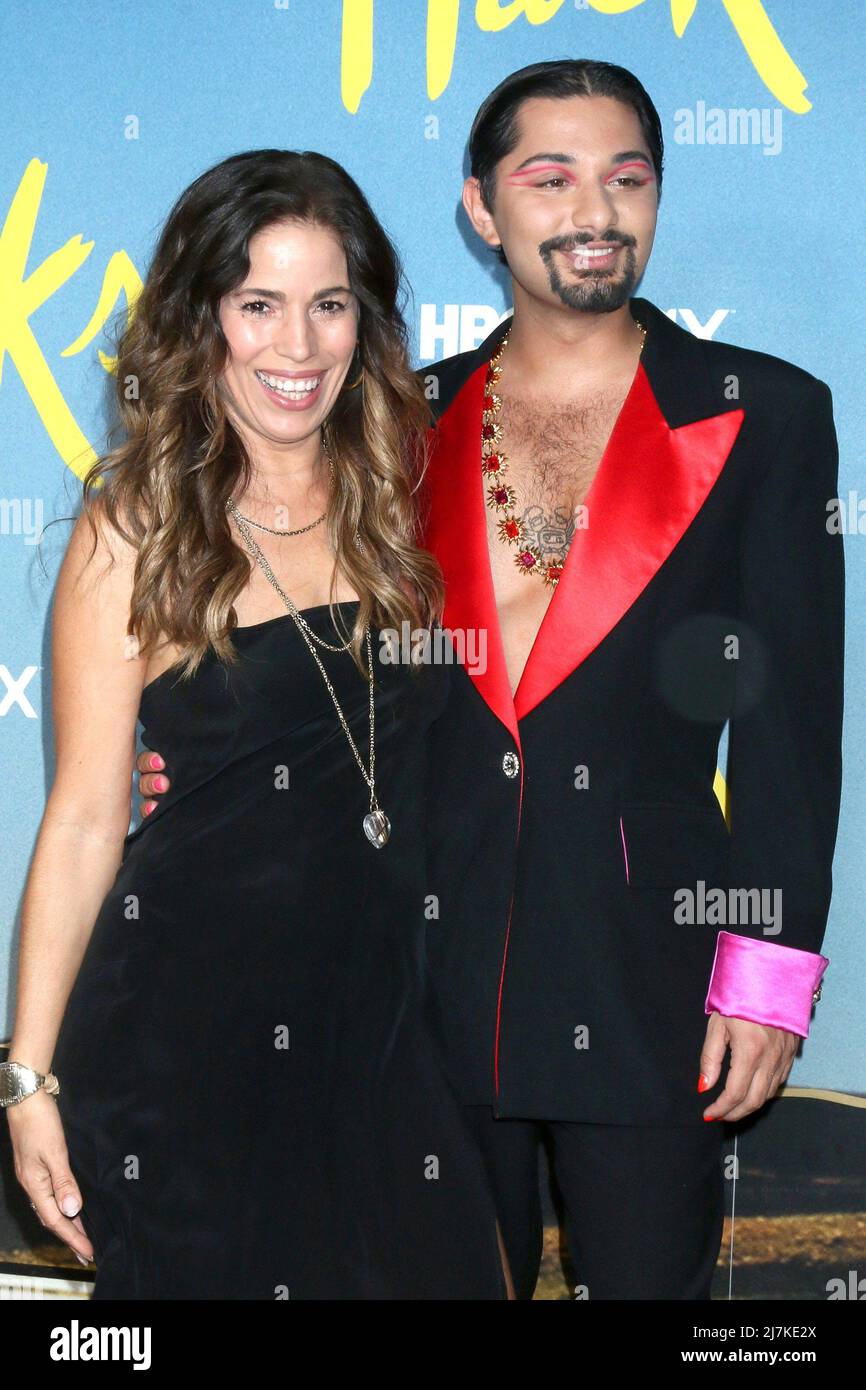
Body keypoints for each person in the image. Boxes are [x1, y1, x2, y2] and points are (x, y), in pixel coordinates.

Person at [135, 62, 845, 1301]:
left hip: (648, 982)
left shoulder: (767, 414)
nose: (594, 209)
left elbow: (790, 729)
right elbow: (323, 671)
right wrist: (197, 773)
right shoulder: (396, 425)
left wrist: (768, 977)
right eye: (549, 175)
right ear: (481, 207)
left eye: (627, 177)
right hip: (420, 977)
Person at [2, 149, 511, 1300]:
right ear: (203, 321)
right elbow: (85, 820)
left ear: (365, 318)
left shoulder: (403, 497)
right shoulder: (137, 527)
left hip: (384, 1032)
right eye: (259, 305)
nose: (297, 345)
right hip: (183, 1048)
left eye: (328, 304)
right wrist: (28, 1081)